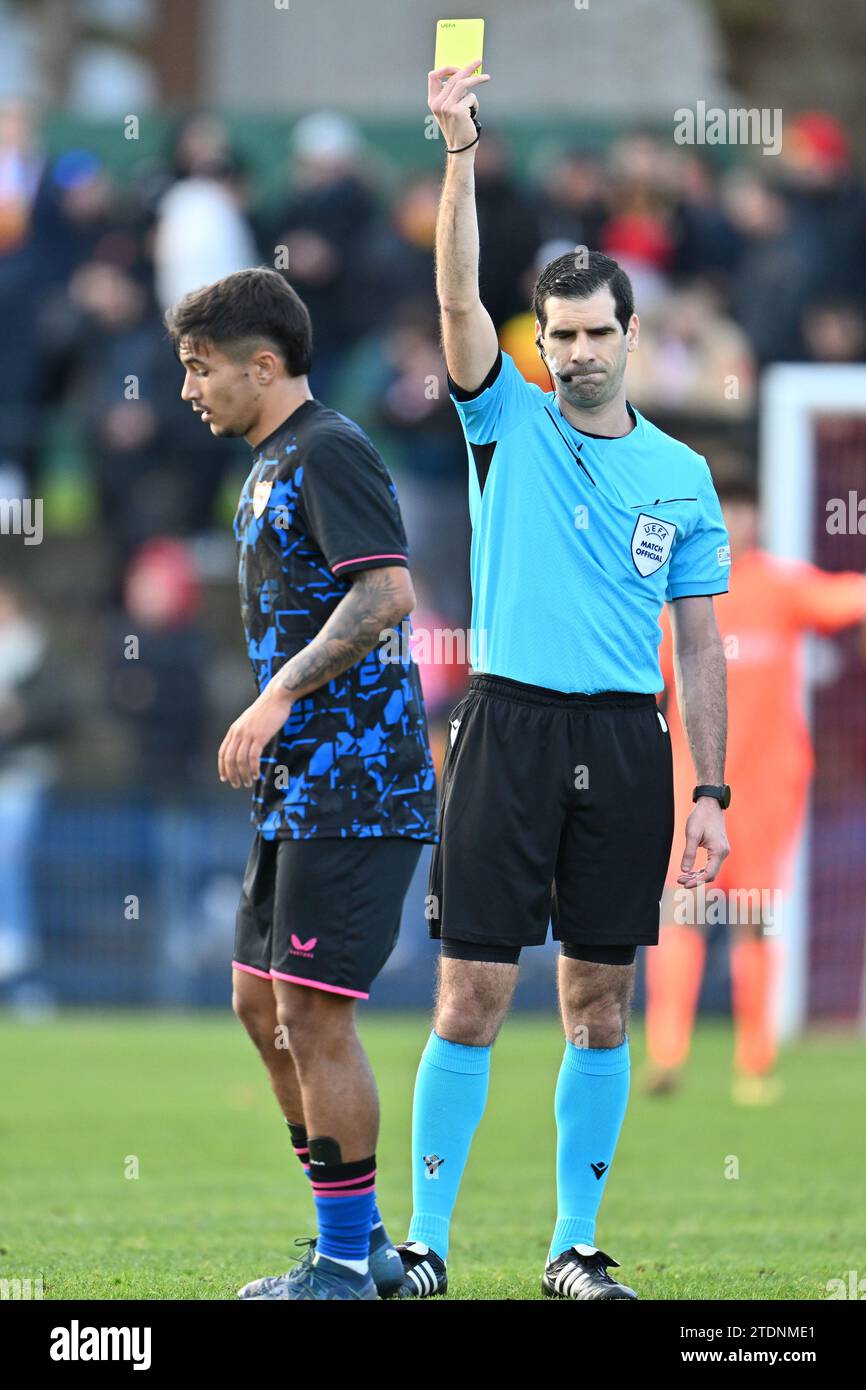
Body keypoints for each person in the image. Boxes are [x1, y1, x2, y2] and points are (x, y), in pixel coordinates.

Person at [395, 62, 731, 1302]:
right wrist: (457, 154)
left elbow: (697, 643)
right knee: (472, 988)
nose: (578, 350)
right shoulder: (508, 420)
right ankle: (423, 1243)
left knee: (599, 996)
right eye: (560, 333)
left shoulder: (682, 477)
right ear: (539, 341)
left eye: (598, 331)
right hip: (504, 723)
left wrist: (714, 791)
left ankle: (570, 1250)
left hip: (627, 742)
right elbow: (453, 301)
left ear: (632, 336)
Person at [165, 267, 437, 1301]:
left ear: (264, 365)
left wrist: (275, 692)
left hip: (356, 780)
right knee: (257, 1004)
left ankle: (339, 1266)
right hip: (297, 786)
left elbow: (385, 590)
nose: (187, 389)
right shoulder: (266, 461)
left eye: (199, 369)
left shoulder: (329, 449)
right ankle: (358, 1242)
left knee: (314, 1014)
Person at [644, 478, 866, 1104]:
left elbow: (847, 598)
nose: (737, 521)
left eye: (745, 508)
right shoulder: (677, 596)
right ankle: (667, 1056)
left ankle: (755, 1061)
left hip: (769, 790)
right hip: (693, 788)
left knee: (753, 921)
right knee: (683, 916)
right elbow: (639, 679)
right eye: (725, 509)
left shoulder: (781, 586)